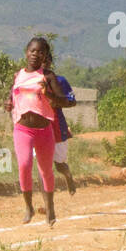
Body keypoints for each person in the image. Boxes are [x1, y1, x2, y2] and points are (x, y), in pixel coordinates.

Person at [6, 36, 65, 225]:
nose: (36, 54)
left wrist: (48, 92)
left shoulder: (48, 76)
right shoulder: (18, 75)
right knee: (24, 165)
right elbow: (12, 96)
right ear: (26, 52)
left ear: (45, 55)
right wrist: (8, 103)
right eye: (33, 50)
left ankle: (50, 208)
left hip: (44, 130)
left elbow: (62, 100)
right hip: (23, 129)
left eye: (40, 51)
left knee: (46, 170)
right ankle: (29, 207)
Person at [41, 43, 78, 197]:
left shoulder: (60, 81)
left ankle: (68, 176)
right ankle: (46, 200)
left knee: (59, 164)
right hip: (37, 126)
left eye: (46, 60)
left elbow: (72, 101)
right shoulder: (28, 80)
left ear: (50, 62)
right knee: (42, 165)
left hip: (56, 125)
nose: (42, 64)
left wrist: (56, 101)